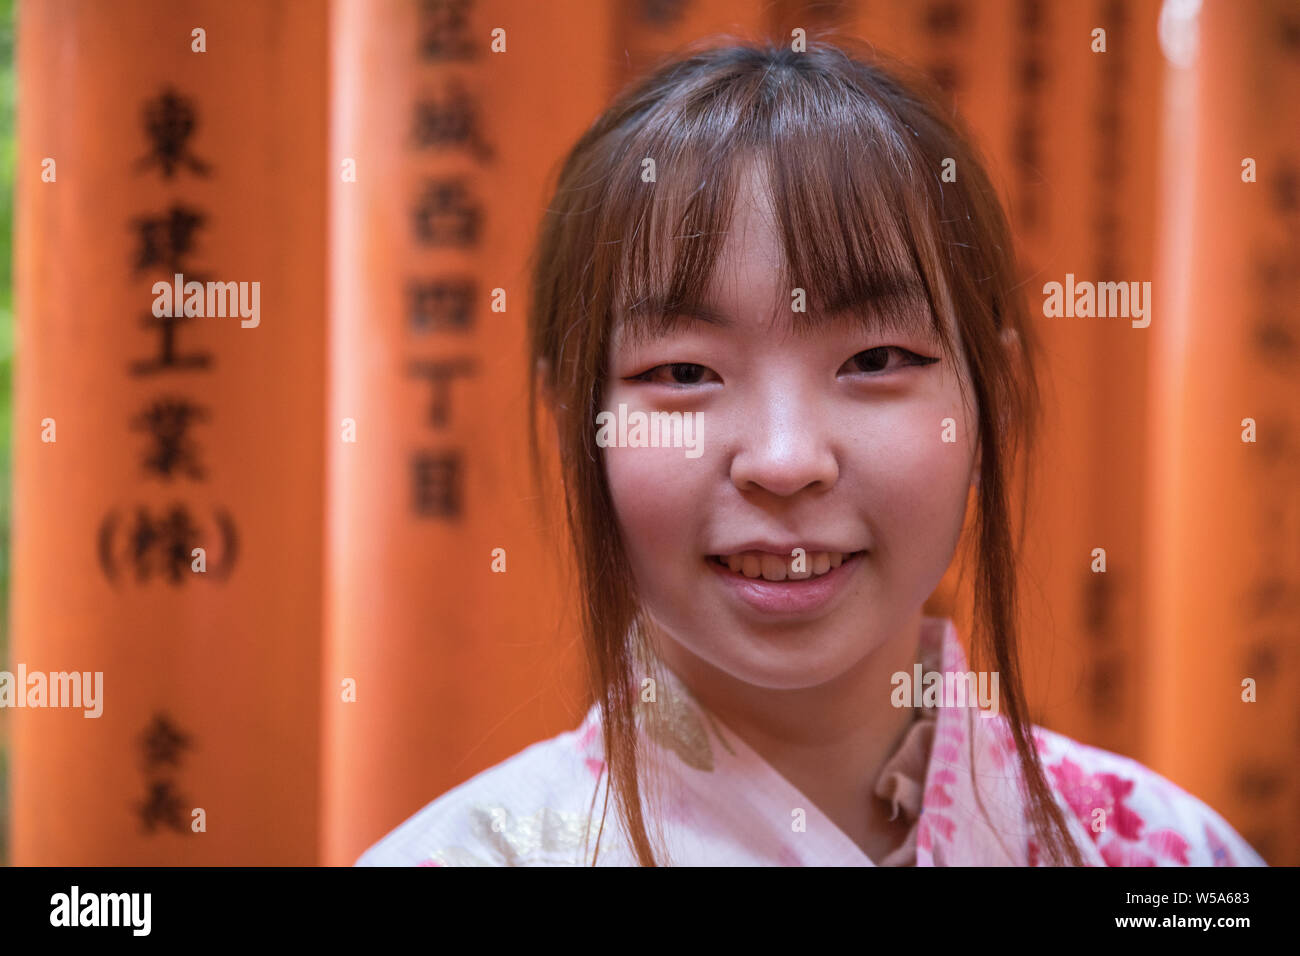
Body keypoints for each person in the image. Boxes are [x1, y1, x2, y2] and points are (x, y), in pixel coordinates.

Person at [357, 38, 1266, 867]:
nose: (786, 461)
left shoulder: (1170, 861)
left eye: (875, 360)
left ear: (986, 408)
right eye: (682, 371)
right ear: (575, 430)